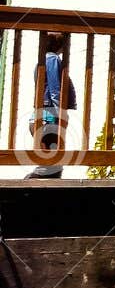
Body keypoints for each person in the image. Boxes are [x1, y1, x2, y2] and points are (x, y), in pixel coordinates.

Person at [27, 32, 75, 178]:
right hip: (49, 119)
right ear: (60, 46)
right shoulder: (53, 59)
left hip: (38, 118)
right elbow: (55, 89)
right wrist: (61, 111)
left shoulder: (40, 62)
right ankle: (28, 183)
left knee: (51, 164)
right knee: (54, 165)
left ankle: (32, 187)